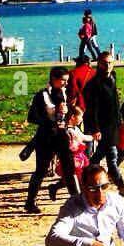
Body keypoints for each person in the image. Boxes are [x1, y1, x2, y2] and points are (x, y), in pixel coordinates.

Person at [24, 66, 80, 212]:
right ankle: (30, 202)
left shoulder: (63, 93)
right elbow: (32, 117)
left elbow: (65, 115)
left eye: (67, 81)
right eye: (63, 81)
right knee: (41, 170)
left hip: (61, 136)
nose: (66, 84)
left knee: (70, 169)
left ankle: (78, 200)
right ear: (54, 79)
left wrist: (67, 114)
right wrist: (53, 113)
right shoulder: (41, 95)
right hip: (46, 137)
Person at [82, 51, 124, 197]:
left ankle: (82, 175)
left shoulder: (113, 76)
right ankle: (121, 186)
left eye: (110, 62)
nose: (108, 66)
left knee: (98, 157)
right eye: (105, 63)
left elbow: (114, 102)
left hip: (114, 125)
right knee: (111, 156)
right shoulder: (94, 85)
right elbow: (93, 109)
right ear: (98, 64)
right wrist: (95, 129)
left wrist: (120, 120)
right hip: (102, 126)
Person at [49, 104, 99, 200]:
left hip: (78, 158)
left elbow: (84, 137)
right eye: (80, 117)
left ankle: (55, 187)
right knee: (74, 177)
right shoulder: (70, 131)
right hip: (73, 159)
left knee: (71, 178)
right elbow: (82, 138)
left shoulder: (76, 129)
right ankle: (79, 196)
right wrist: (93, 137)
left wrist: (93, 137)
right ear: (72, 117)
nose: (81, 119)